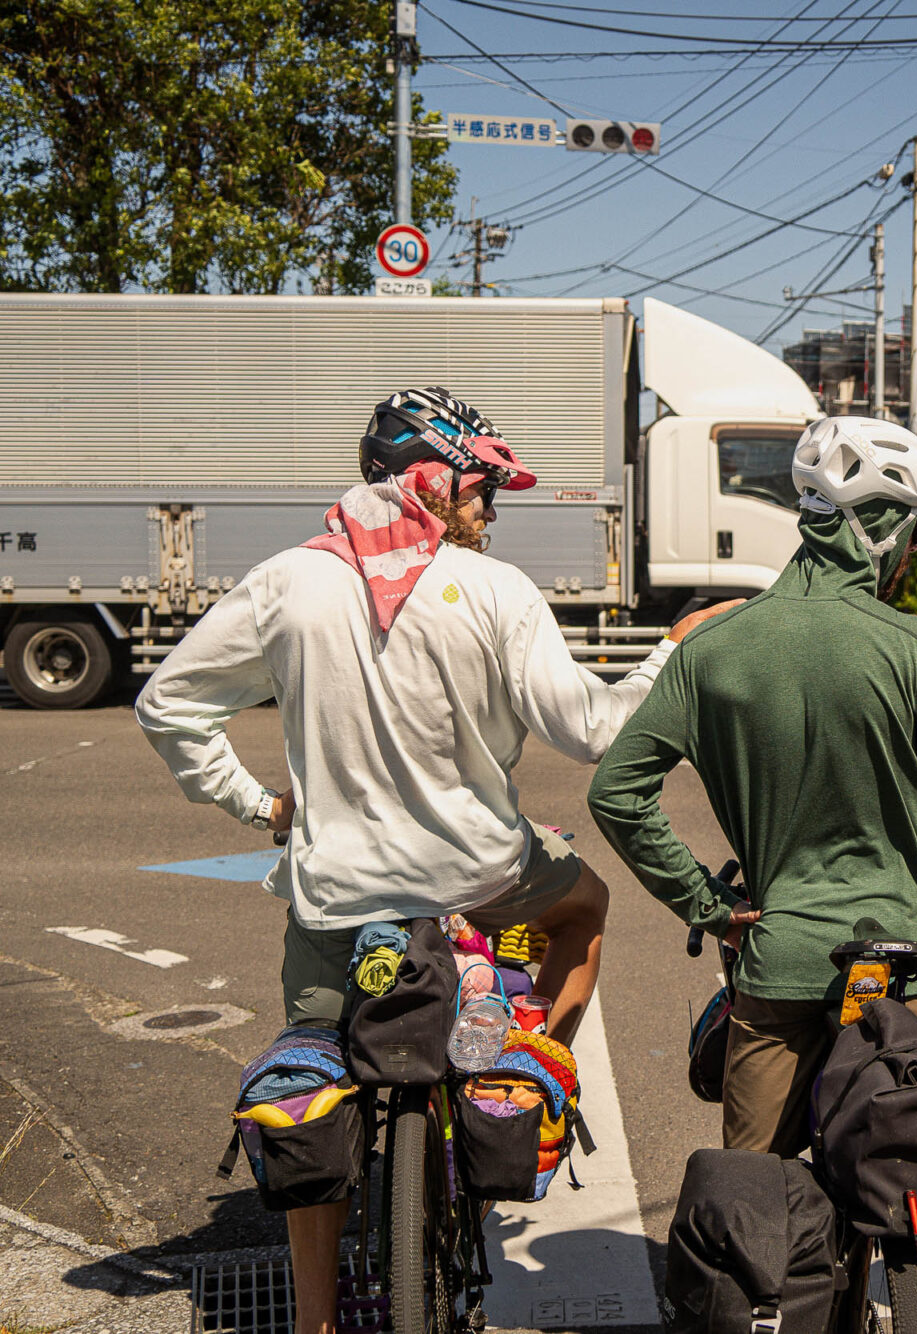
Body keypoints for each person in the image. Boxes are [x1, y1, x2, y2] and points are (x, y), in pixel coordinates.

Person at [135, 387, 731, 1334]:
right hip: (489, 884)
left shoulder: (289, 581)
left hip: (335, 900)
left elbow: (166, 704)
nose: (491, 513)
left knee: (318, 1073)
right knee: (587, 910)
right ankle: (519, 1079)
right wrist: (670, 652)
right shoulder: (492, 590)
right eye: (483, 490)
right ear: (432, 479)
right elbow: (592, 730)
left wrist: (259, 805)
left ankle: (316, 1320)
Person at [588, 415, 917, 1157]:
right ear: (886, 530)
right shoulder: (915, 648)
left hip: (779, 962)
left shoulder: (709, 649)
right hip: (907, 966)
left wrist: (709, 905)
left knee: (755, 1203)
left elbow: (616, 793)